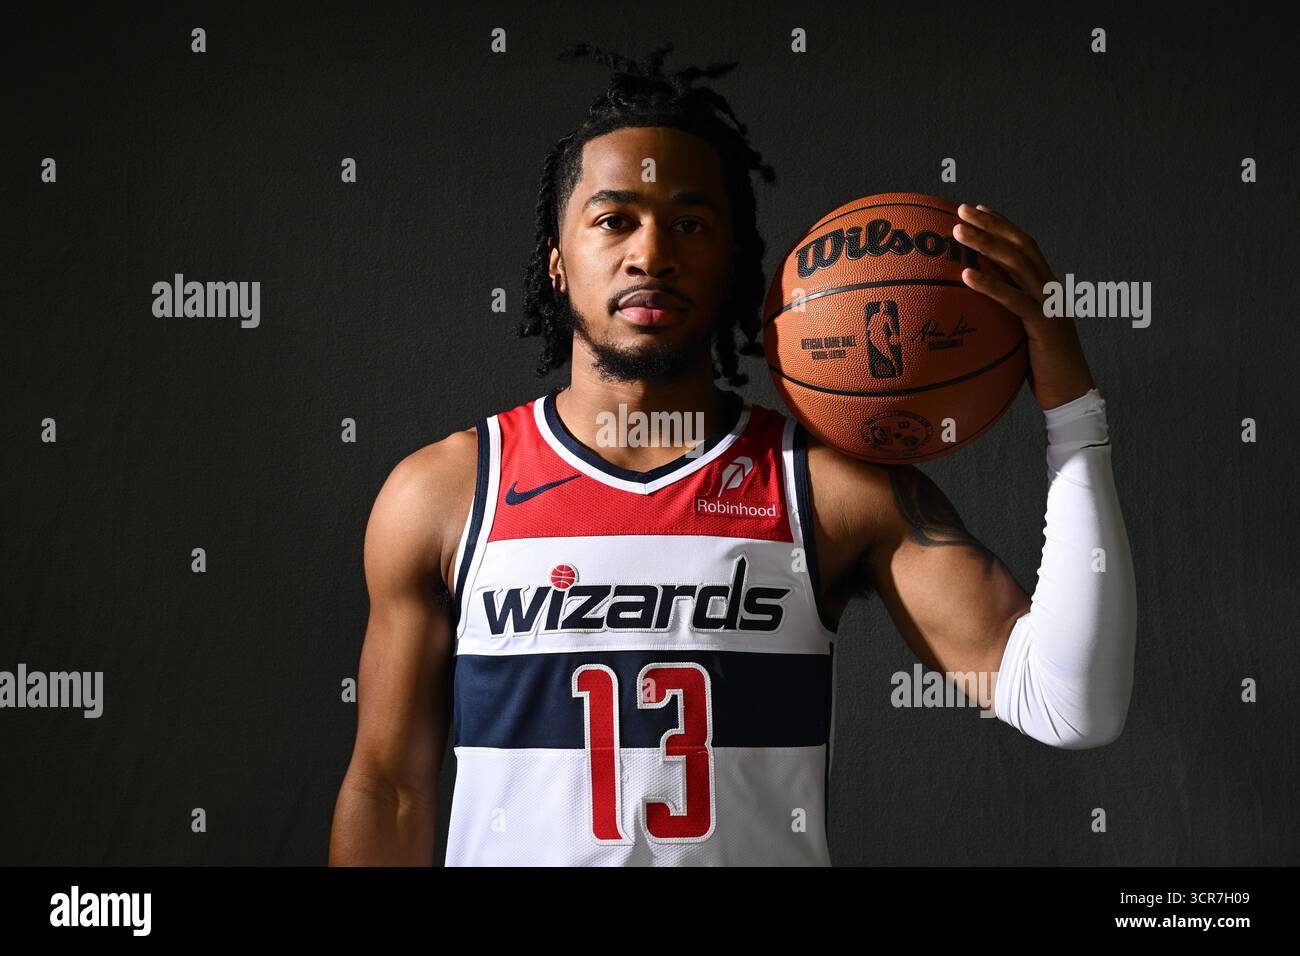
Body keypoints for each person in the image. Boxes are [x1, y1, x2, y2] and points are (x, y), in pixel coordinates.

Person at [328, 42, 1136, 866]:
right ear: (557, 263)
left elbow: (1072, 704)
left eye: (690, 223)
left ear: (735, 266)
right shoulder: (445, 494)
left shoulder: (825, 489)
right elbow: (389, 788)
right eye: (614, 220)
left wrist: (1073, 411)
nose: (651, 253)